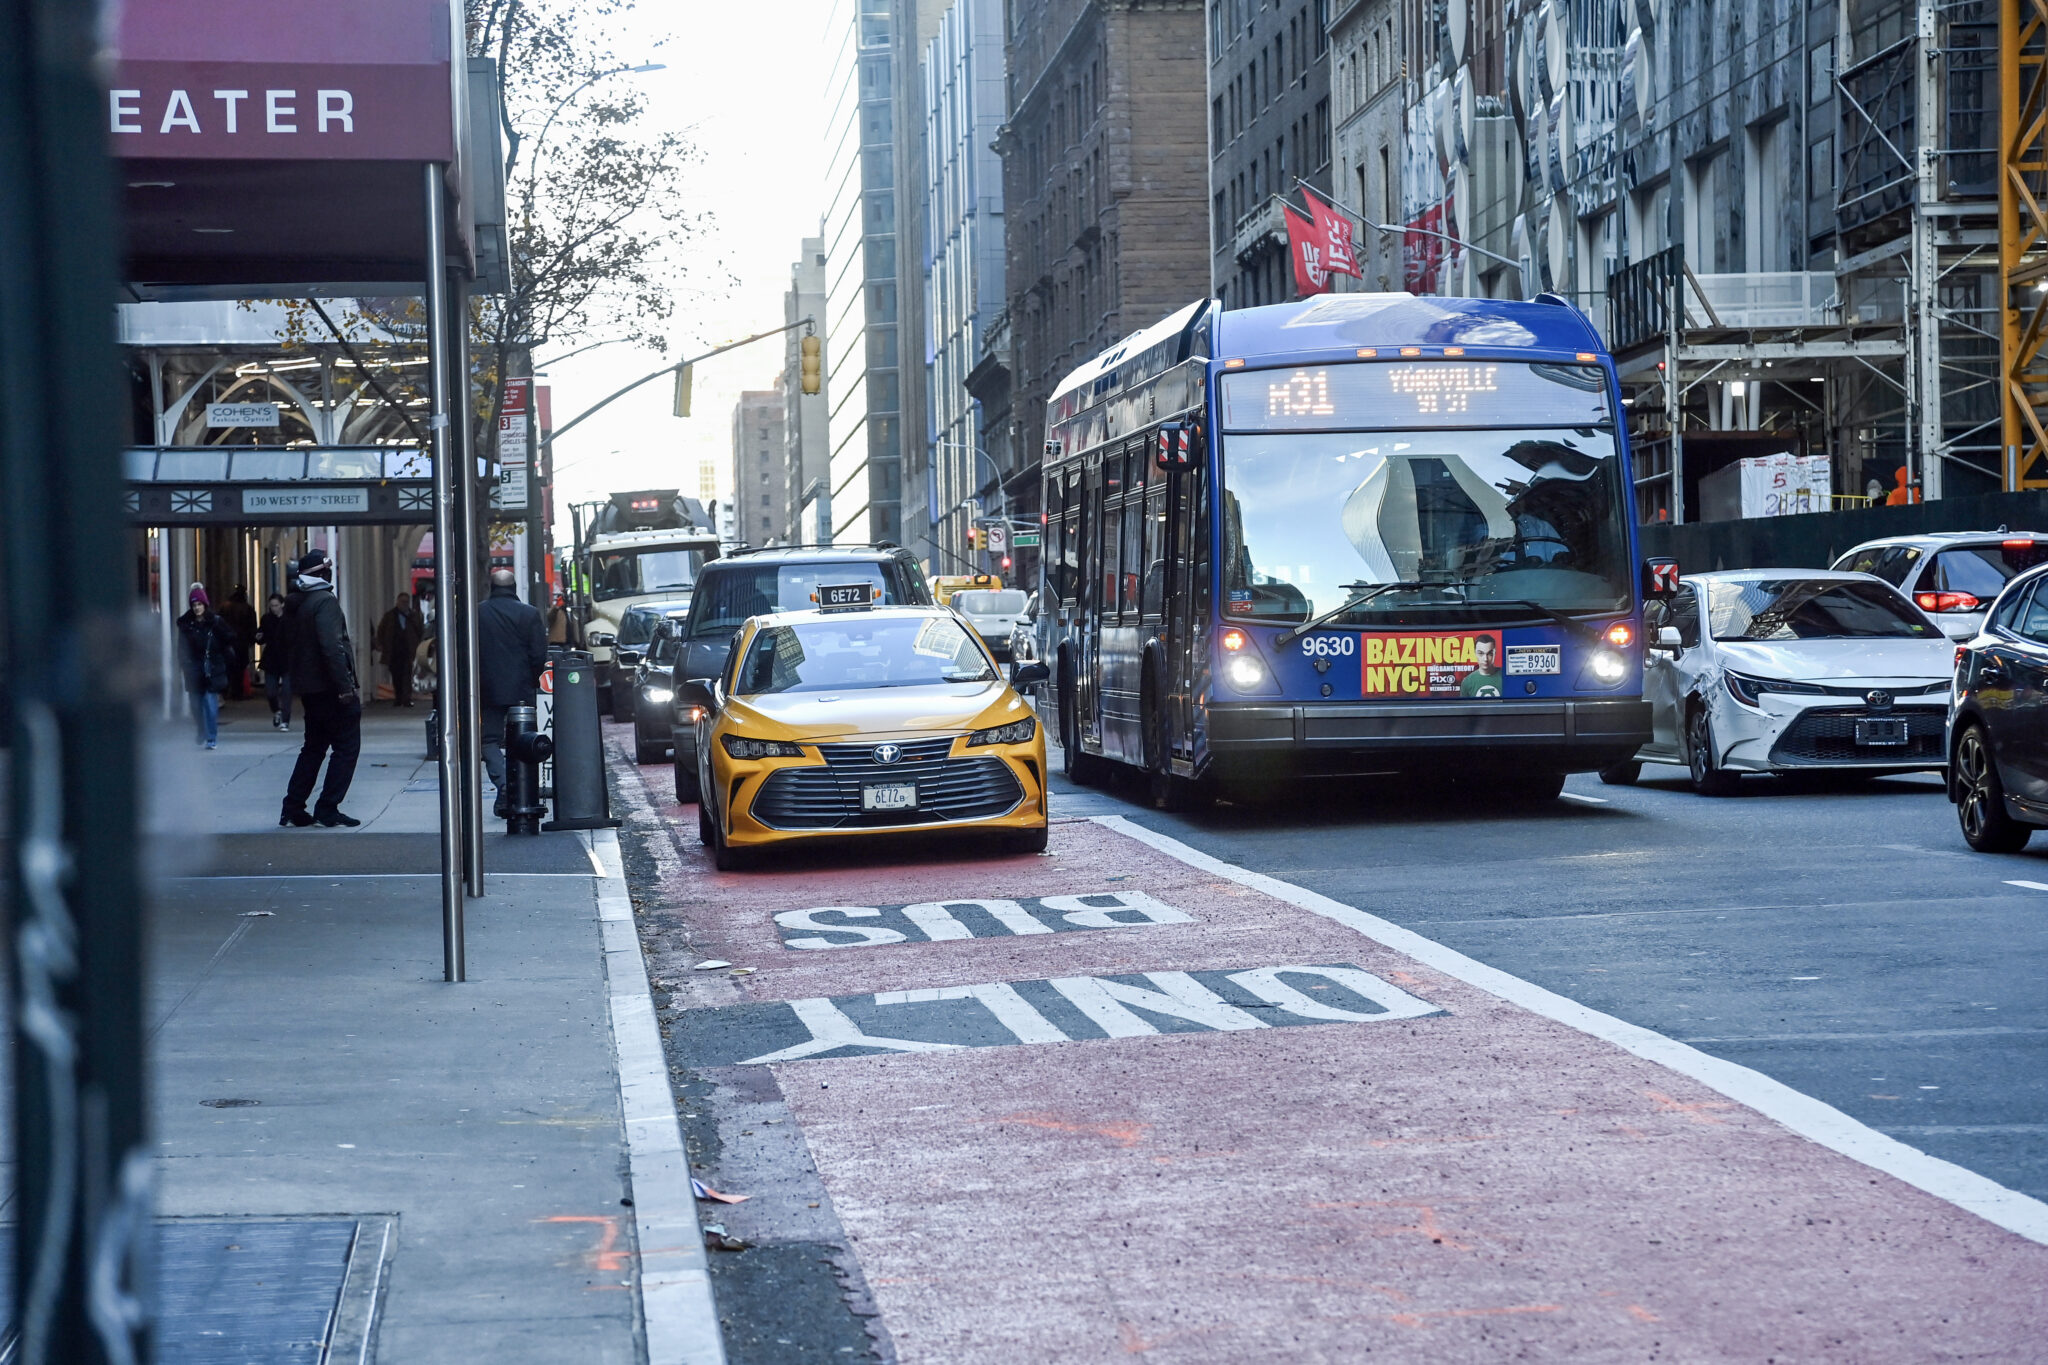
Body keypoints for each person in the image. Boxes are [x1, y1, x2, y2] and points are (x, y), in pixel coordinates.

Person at [279, 548, 363, 828]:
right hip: (331, 689)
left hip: (310, 689)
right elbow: (332, 647)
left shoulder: (296, 603)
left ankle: (293, 806)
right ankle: (328, 807)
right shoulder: (324, 602)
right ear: (324, 573)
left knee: (313, 747)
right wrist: (345, 687)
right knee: (347, 747)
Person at [479, 568, 549, 819]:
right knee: (522, 740)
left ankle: (504, 785)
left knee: (488, 740)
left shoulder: (478, 612)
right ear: (514, 588)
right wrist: (532, 679)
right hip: (521, 687)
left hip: (488, 688)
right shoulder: (529, 614)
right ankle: (520, 790)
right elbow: (539, 654)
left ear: (492, 587)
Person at [176, 584, 236, 749]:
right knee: (195, 705)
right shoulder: (186, 625)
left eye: (199, 604)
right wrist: (184, 664)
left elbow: (229, 638)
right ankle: (201, 729)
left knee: (210, 704)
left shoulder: (215, 622)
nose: (197, 608)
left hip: (212, 668)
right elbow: (181, 647)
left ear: (205, 605)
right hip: (194, 669)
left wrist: (220, 653)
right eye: (194, 605)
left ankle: (211, 737)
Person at [375, 591, 424, 707]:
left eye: (406, 602)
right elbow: (381, 631)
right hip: (394, 651)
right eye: (402, 602)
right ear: (397, 602)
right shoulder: (389, 616)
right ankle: (398, 697)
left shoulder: (413, 616)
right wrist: (380, 644)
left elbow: (420, 631)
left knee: (407, 675)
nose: (404, 604)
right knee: (396, 675)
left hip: (408, 650)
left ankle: (406, 699)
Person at [257, 591, 293, 729]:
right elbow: (261, 635)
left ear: (282, 605)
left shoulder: (289, 619)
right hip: (271, 659)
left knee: (287, 692)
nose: (274, 608)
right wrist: (259, 637)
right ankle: (277, 710)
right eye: (272, 605)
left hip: (287, 659)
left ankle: (285, 720)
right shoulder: (266, 619)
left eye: (276, 605)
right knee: (270, 691)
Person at [223, 587, 259, 698]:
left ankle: (226, 690)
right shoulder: (248, 609)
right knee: (240, 669)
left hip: (228, 642)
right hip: (242, 642)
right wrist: (252, 640)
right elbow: (252, 627)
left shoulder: (225, 607)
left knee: (228, 667)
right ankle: (237, 691)